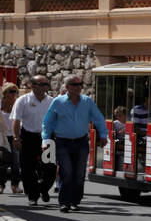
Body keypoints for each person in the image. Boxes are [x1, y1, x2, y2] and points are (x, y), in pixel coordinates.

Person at [40, 73, 108, 213]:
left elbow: (99, 119)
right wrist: (46, 140)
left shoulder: (87, 102)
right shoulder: (58, 102)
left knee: (79, 173)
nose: (79, 87)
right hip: (63, 142)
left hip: (81, 142)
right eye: (75, 84)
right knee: (67, 172)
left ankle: (75, 201)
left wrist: (103, 135)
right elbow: (48, 122)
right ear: (67, 87)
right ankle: (64, 202)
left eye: (80, 84)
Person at [11, 74, 57, 206]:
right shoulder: (23, 100)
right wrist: (16, 138)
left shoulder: (51, 101)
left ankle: (43, 189)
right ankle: (33, 195)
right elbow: (16, 120)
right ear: (32, 85)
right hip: (28, 137)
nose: (44, 87)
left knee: (50, 168)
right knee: (28, 168)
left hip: (47, 137)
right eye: (41, 84)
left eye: (45, 84)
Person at [1, 82, 20, 193]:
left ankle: (15, 185)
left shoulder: (17, 104)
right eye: (11, 91)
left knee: (15, 162)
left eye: (15, 92)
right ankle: (1, 185)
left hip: (13, 136)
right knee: (2, 163)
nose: (14, 94)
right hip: (2, 137)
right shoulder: (0, 104)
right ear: (5, 92)